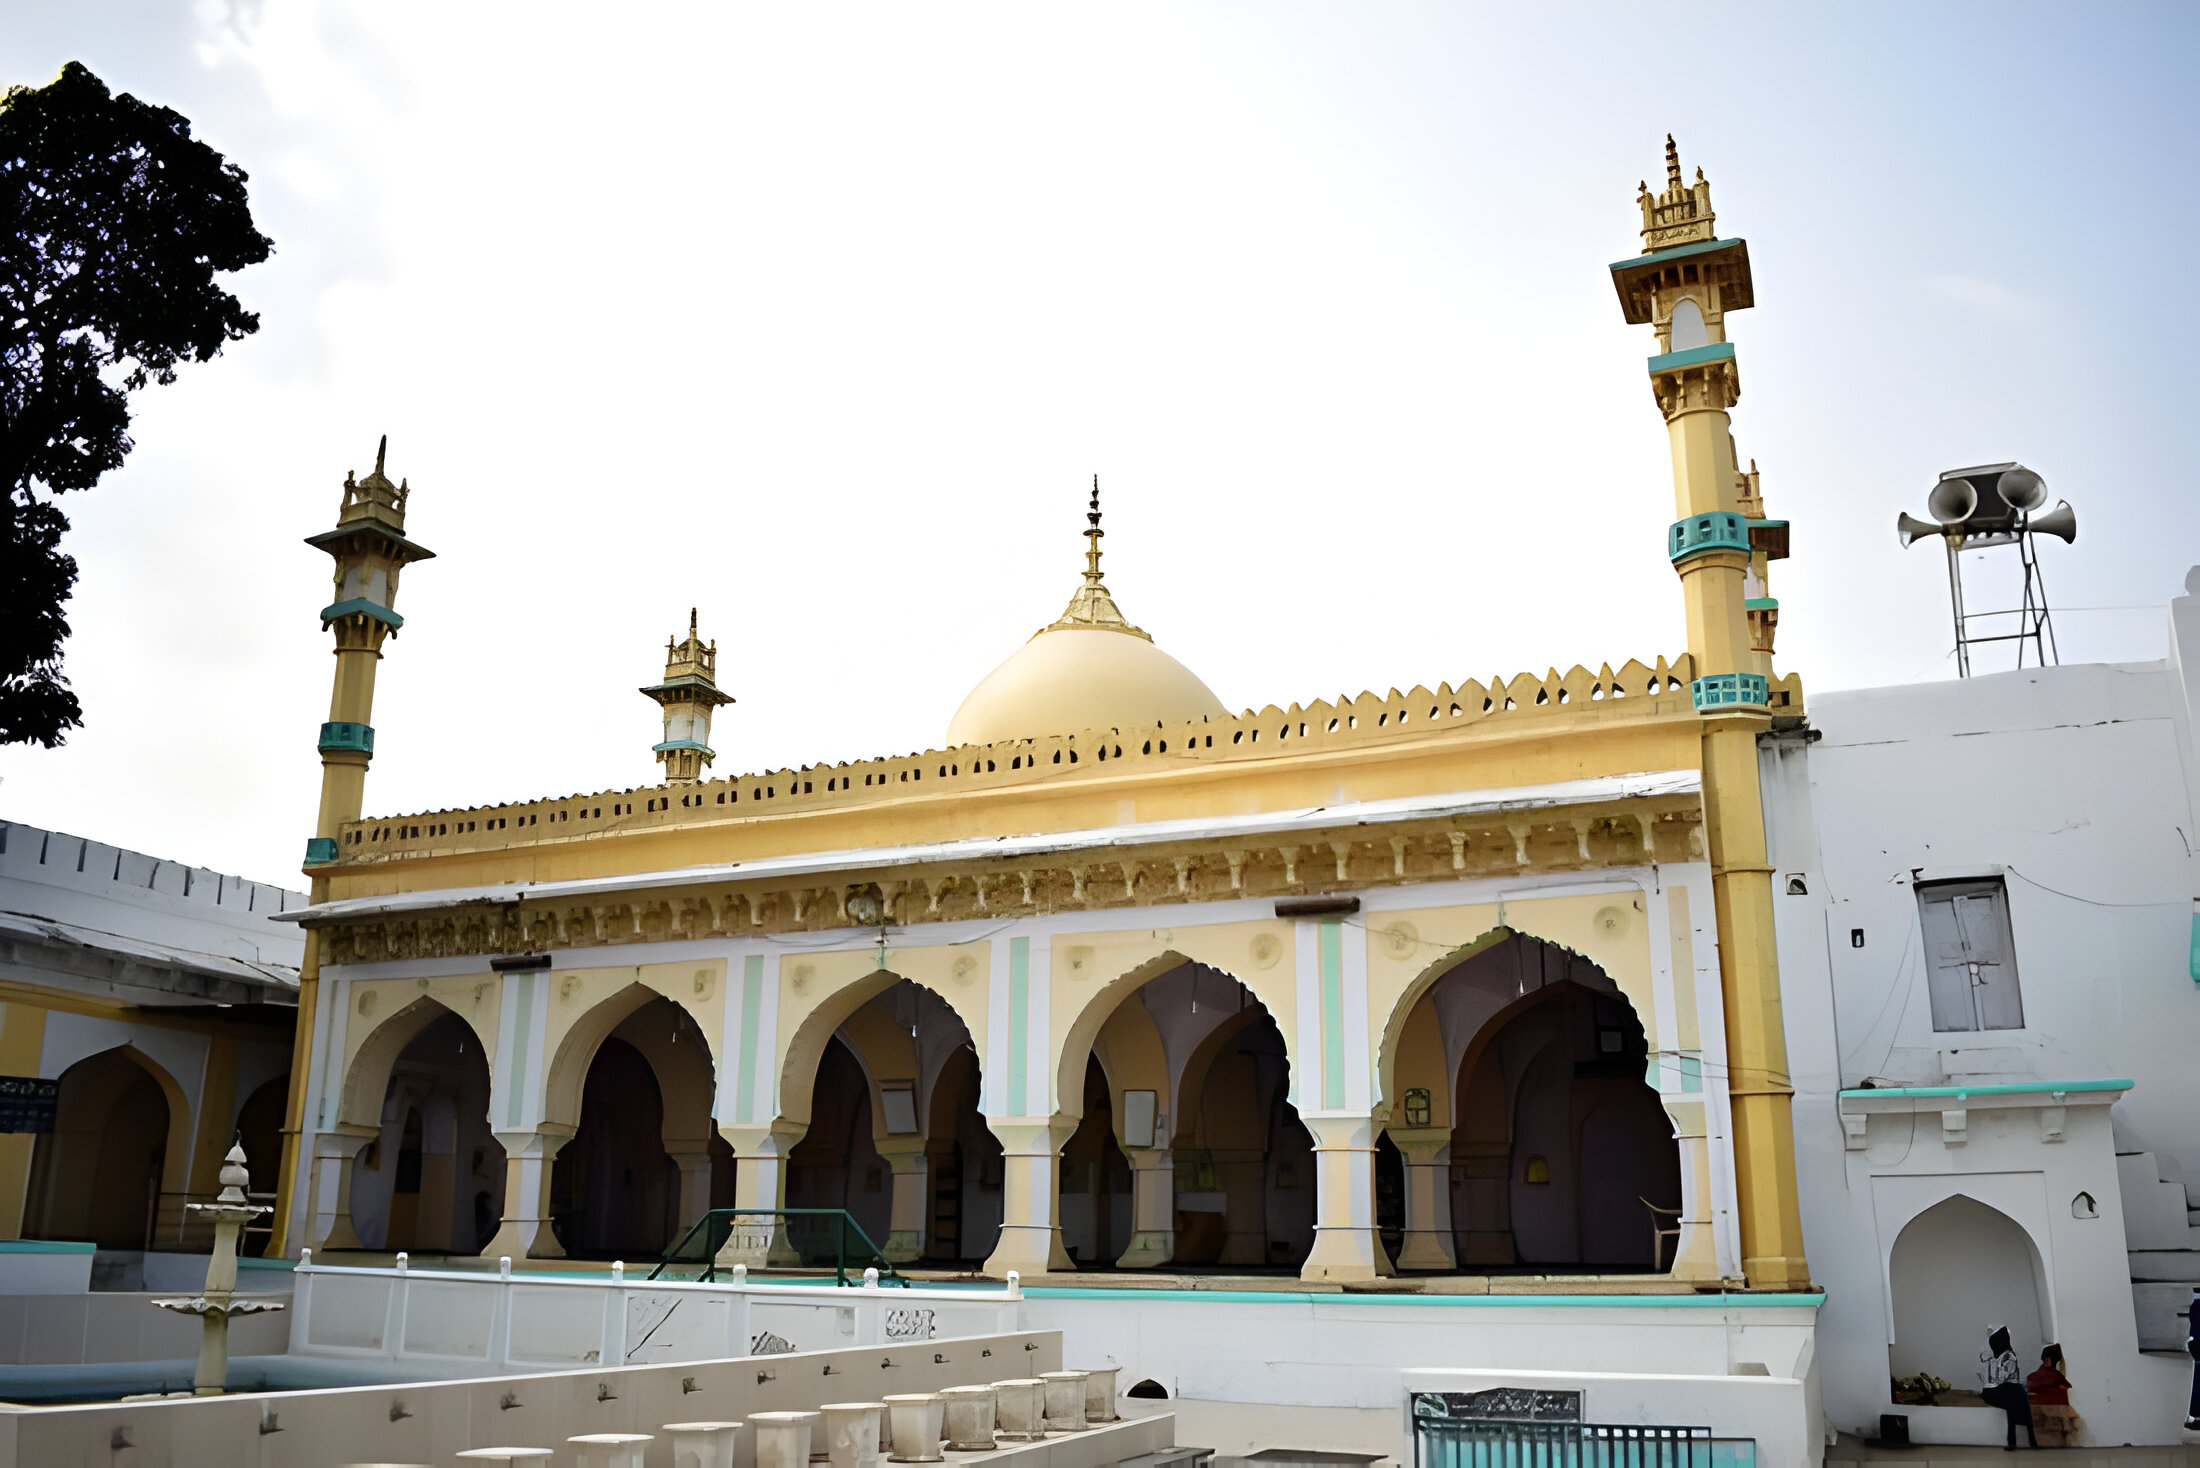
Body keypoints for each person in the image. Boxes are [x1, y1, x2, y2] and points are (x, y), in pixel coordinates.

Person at [1980, 1325, 2033, 1451]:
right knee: (2011, 1415)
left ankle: (2015, 1443)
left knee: (2011, 1413)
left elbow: (2000, 1378)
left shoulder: (2009, 1357)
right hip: (2009, 1390)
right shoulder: (2003, 1356)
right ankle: (2013, 1442)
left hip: (2012, 1390)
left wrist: (1993, 1366)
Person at [2025, 1345, 2077, 1448]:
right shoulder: (2058, 1379)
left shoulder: (2033, 1377)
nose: (2046, 1360)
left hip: (2040, 1422)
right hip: (2053, 1424)